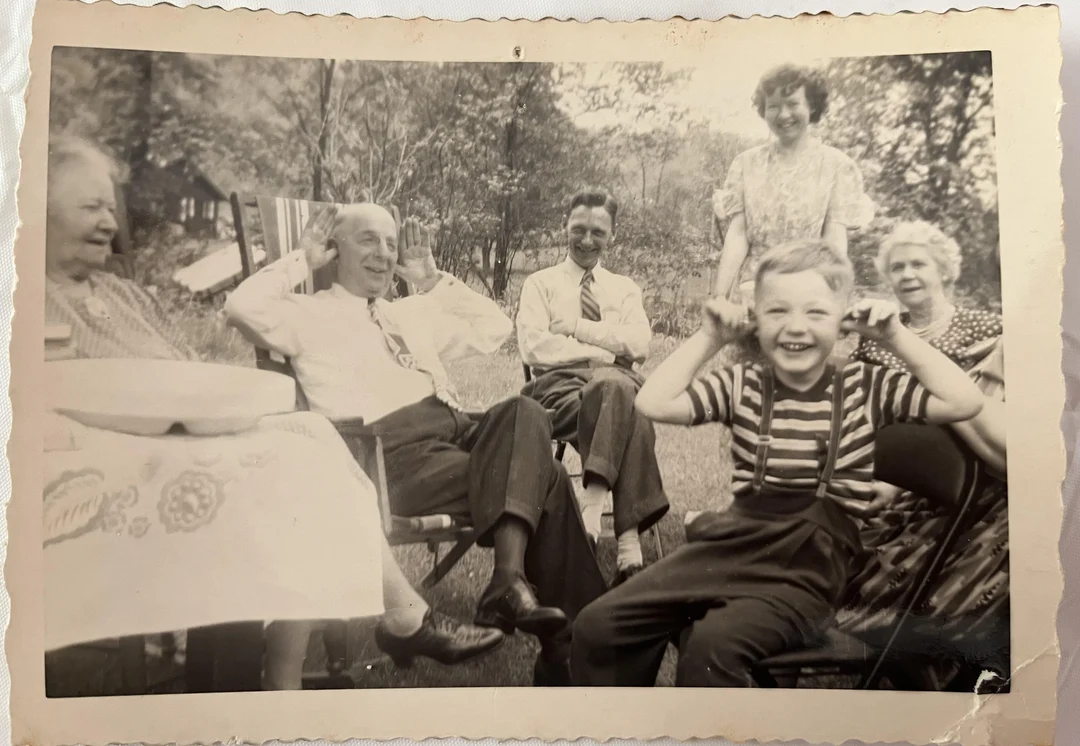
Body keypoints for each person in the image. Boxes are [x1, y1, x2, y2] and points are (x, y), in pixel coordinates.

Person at [43, 135, 503, 692]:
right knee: (289, 482)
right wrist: (301, 261)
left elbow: (190, 372)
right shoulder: (24, 299)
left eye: (108, 206)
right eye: (89, 207)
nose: (109, 221)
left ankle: (294, 670)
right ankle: (384, 626)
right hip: (113, 457)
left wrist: (429, 280)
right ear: (36, 211)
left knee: (308, 438)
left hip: (183, 438)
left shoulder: (125, 295)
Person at [223, 201, 608, 685]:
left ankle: (509, 583)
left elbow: (494, 327)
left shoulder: (409, 312)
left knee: (524, 411)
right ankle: (565, 642)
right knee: (544, 476)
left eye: (391, 243)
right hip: (389, 457)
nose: (384, 254)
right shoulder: (305, 315)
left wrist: (430, 279)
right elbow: (240, 308)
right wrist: (303, 259)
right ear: (334, 248)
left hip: (455, 435)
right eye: (368, 240)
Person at [570, 239, 984, 687]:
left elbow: (963, 401)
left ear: (843, 318)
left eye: (816, 312)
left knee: (713, 648)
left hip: (802, 570)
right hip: (728, 548)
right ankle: (619, 720)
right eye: (777, 311)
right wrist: (710, 337)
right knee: (599, 625)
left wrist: (895, 336)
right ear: (756, 321)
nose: (796, 327)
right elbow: (652, 401)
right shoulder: (745, 383)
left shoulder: (864, 385)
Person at [836, 220, 1009, 687]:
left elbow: (987, 416)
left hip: (972, 472)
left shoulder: (988, 329)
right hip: (906, 479)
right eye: (897, 267)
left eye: (918, 264)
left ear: (944, 270)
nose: (908, 274)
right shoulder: (875, 338)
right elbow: (866, 419)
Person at [517, 191, 669, 583]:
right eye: (578, 229)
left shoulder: (624, 288)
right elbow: (534, 347)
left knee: (616, 389)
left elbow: (640, 345)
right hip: (558, 390)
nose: (587, 240)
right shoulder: (540, 283)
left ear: (612, 235)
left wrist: (577, 329)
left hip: (614, 388)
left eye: (598, 232)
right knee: (626, 398)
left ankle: (593, 515)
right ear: (564, 227)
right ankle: (628, 546)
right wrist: (606, 351)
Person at [711, 63, 874, 302]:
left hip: (809, 291)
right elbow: (738, 235)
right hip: (754, 291)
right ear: (763, 110)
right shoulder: (745, 164)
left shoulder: (836, 165)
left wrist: (834, 298)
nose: (783, 114)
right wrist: (719, 296)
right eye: (773, 106)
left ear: (812, 106)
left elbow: (834, 243)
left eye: (793, 104)